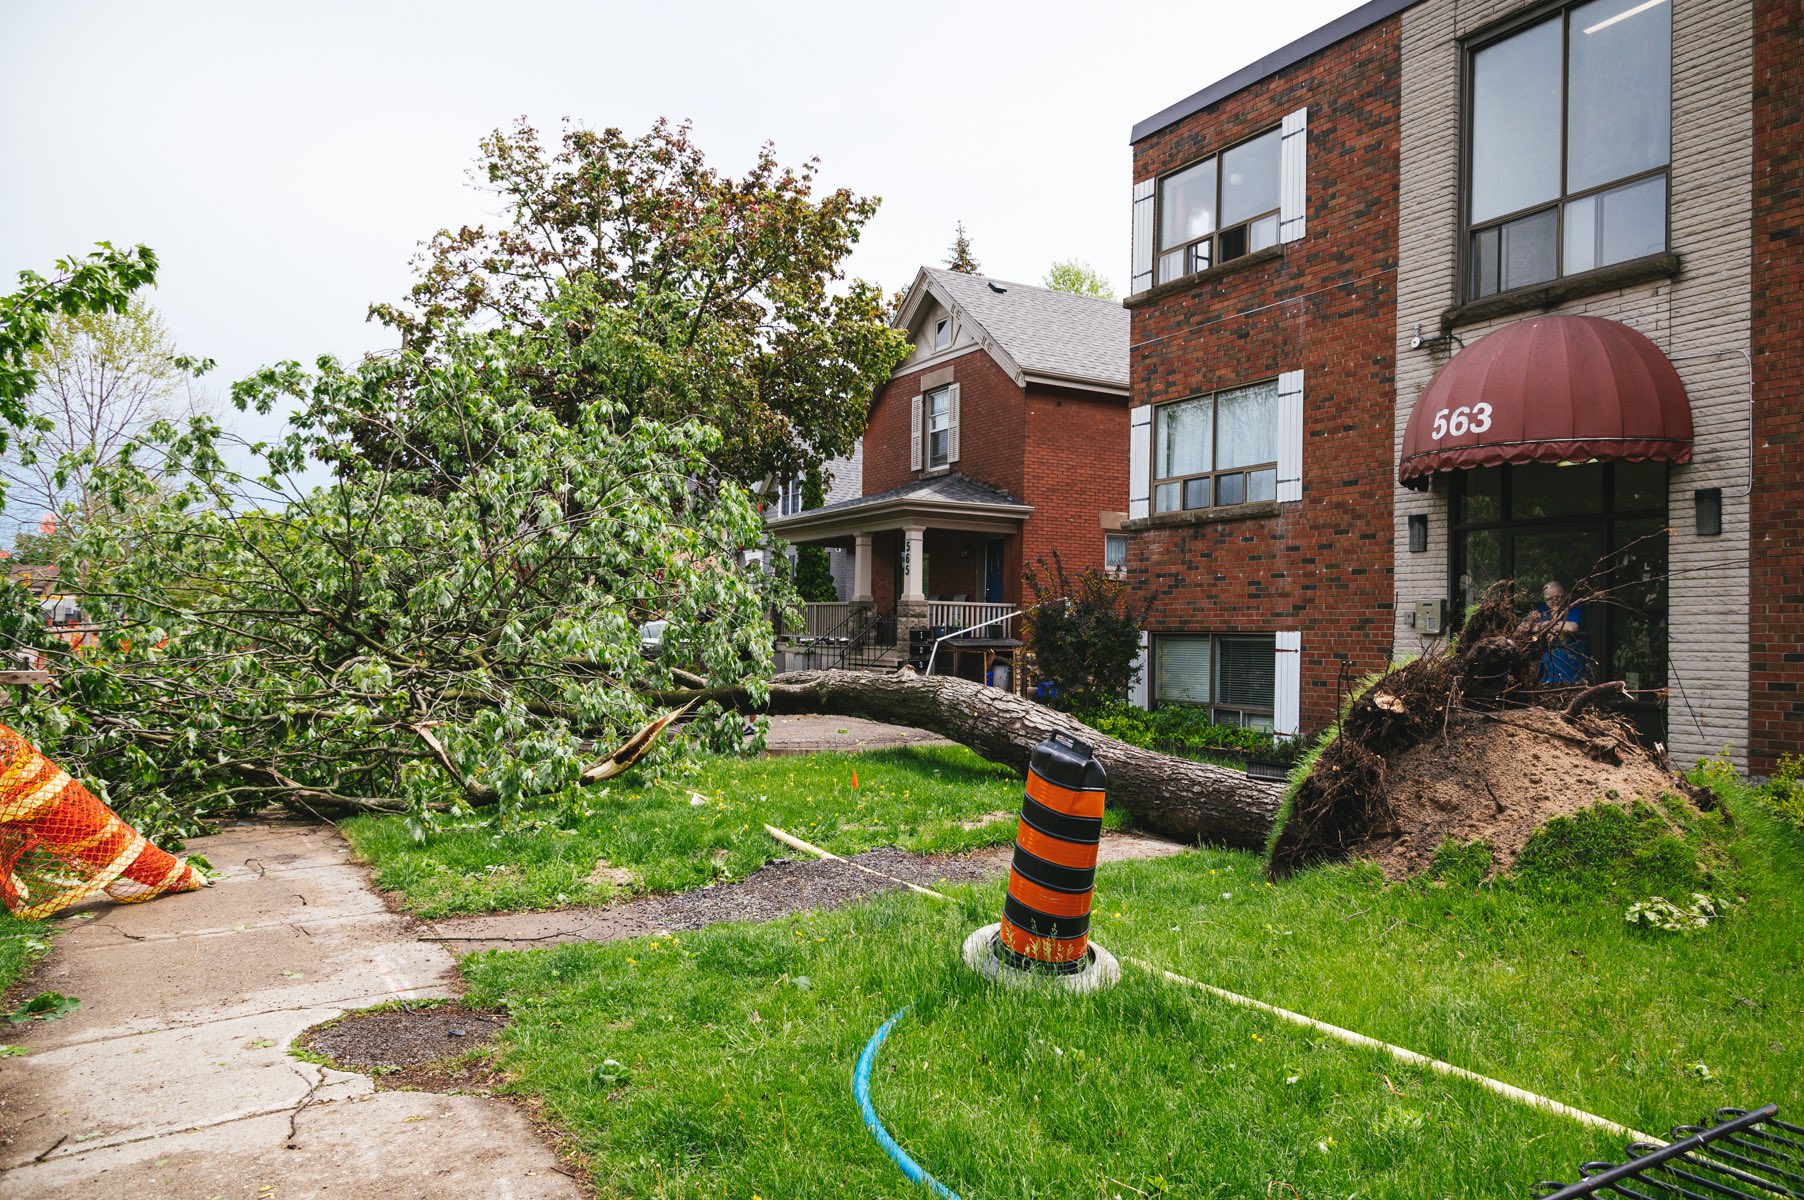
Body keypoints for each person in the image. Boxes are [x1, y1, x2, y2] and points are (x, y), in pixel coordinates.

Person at [1518, 580, 1593, 685]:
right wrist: (1548, 624)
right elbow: (1522, 627)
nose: (1554, 602)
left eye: (1557, 597)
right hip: (1547, 672)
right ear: (1545, 598)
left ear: (1564, 594)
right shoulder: (1543, 610)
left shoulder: (1574, 607)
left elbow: (1572, 627)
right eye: (1549, 599)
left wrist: (1545, 625)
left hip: (1572, 671)